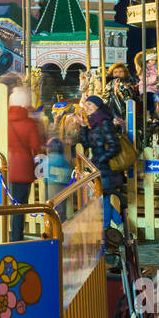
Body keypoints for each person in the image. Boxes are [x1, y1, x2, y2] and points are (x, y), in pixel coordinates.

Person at [77, 94, 124, 235]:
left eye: (90, 105)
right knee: (102, 198)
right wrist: (84, 127)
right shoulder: (93, 122)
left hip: (107, 168)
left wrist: (99, 160)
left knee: (103, 198)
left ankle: (106, 230)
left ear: (98, 106)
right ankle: (120, 225)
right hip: (99, 167)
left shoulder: (104, 122)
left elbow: (114, 146)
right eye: (86, 105)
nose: (87, 107)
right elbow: (85, 144)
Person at [6, 88, 45, 240]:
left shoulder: (5, 121)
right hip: (24, 168)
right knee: (21, 204)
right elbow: (36, 146)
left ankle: (12, 234)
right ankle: (17, 236)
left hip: (8, 166)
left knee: (12, 203)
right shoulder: (29, 123)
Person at [44, 137, 72, 220]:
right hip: (62, 186)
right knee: (61, 209)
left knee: (49, 208)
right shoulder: (64, 161)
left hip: (49, 185)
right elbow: (68, 173)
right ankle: (61, 227)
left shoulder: (47, 160)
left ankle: (51, 230)